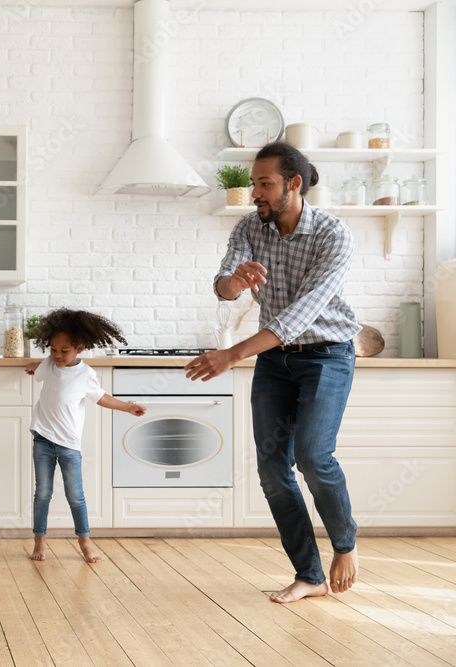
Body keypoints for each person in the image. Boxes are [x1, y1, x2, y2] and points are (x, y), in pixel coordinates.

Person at [184, 142, 361, 603]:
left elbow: (300, 316)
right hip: (274, 363)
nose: (256, 193)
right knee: (271, 469)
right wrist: (234, 282)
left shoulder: (333, 235)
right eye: (254, 183)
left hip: (326, 355)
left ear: (293, 184)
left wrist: (230, 354)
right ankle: (309, 575)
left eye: (265, 184)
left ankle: (345, 545)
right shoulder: (250, 226)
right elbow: (221, 286)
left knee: (313, 456)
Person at [24, 308, 146, 563]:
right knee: (43, 493)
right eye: (53, 350)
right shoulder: (49, 363)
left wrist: (128, 406)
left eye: (64, 351)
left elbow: (100, 397)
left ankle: (85, 541)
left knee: (75, 495)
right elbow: (41, 372)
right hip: (43, 440)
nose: (57, 355)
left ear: (79, 347)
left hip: (69, 445)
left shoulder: (85, 374)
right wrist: (35, 365)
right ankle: (39, 540)